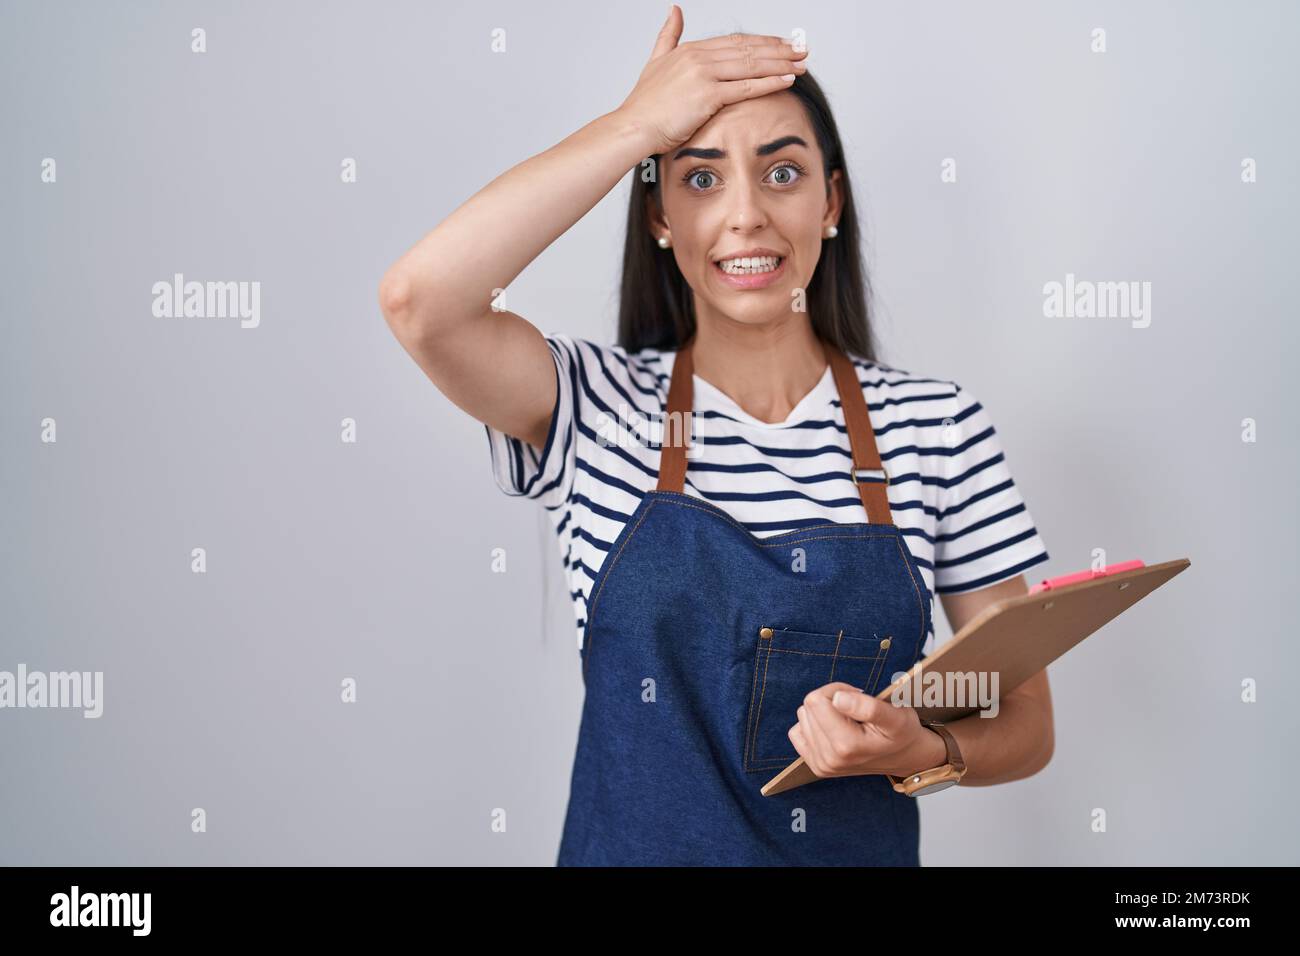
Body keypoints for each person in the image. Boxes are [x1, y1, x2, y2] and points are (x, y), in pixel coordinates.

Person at [379, 5, 1055, 866]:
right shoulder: (592, 406)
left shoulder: (938, 427)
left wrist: (919, 746)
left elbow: (1023, 718)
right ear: (657, 213)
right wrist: (635, 127)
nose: (745, 216)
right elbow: (420, 300)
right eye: (699, 179)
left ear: (830, 201)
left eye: (782, 173)